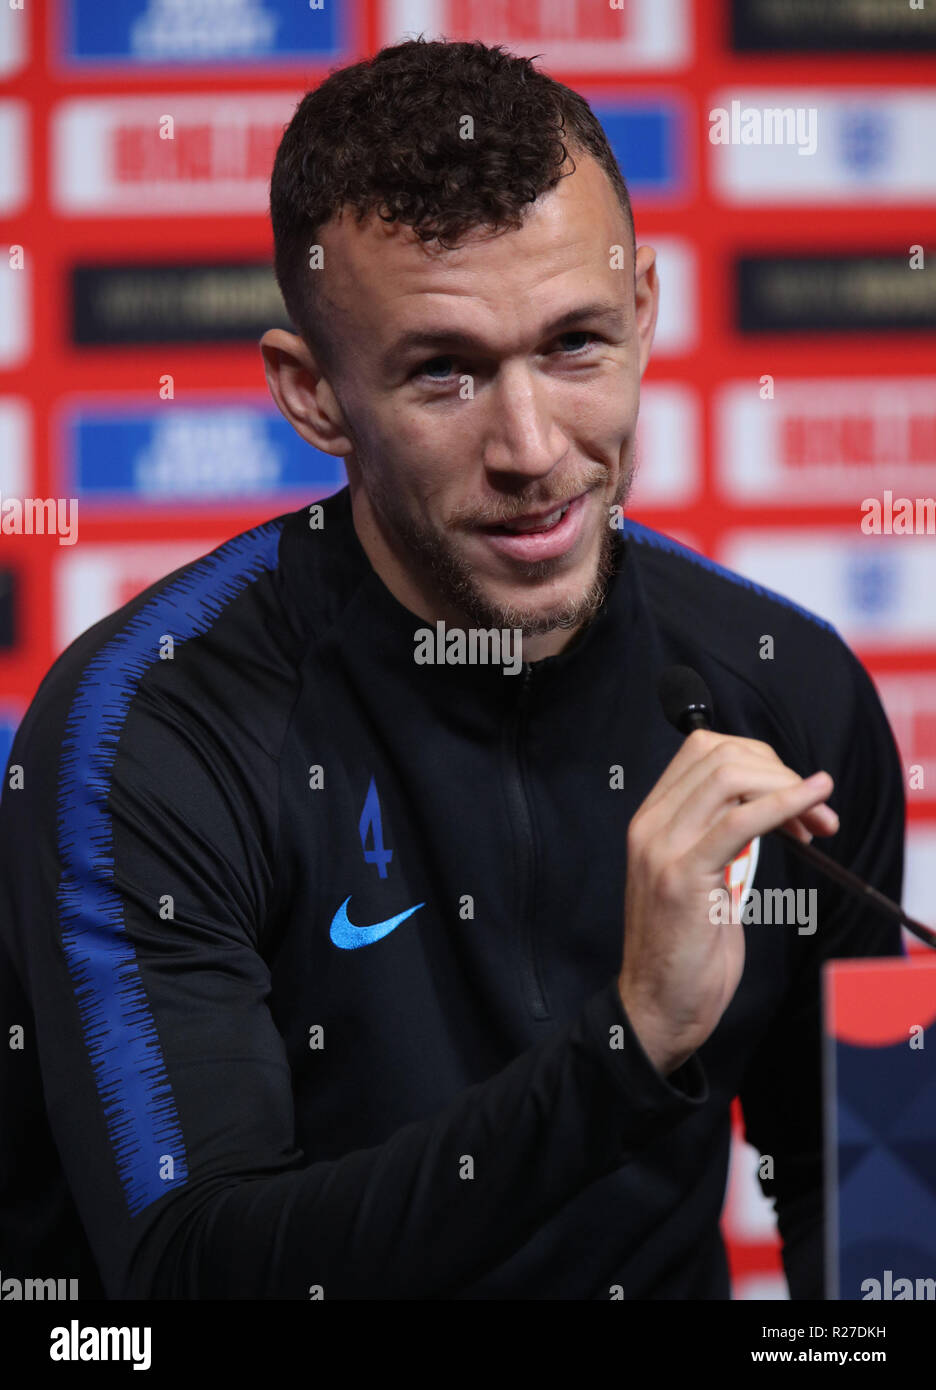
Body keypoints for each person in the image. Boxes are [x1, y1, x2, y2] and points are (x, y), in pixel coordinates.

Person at [0, 37, 904, 1300]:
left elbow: (865, 1200)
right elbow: (188, 1270)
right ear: (313, 393)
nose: (532, 448)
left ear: (645, 309)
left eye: (575, 343)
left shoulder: (789, 689)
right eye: (446, 372)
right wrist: (629, 1043)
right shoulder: (147, 729)